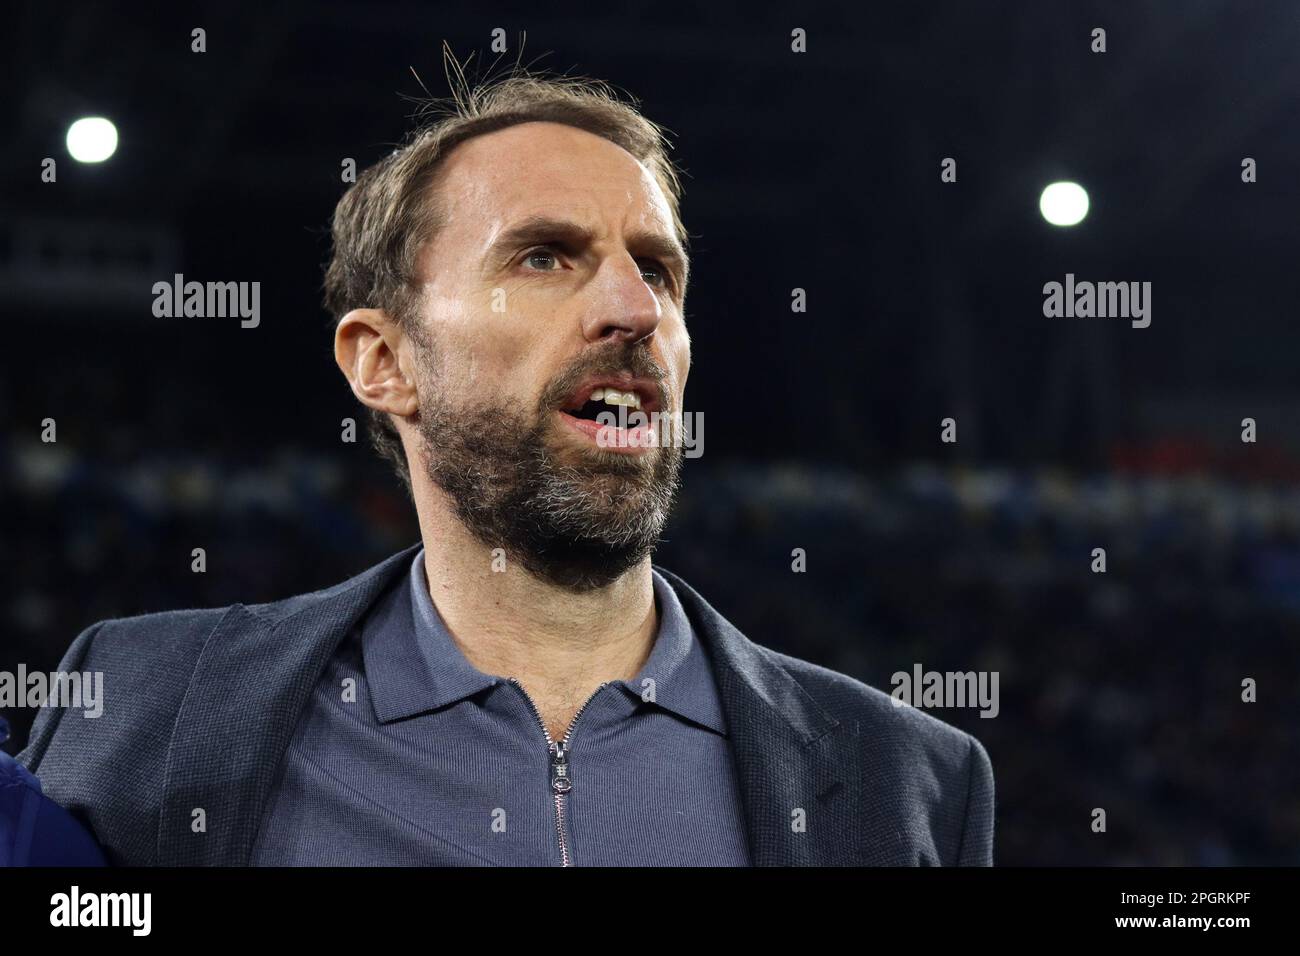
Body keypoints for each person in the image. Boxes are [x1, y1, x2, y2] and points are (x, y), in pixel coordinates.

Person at [20, 69, 993, 866]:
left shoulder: (905, 781)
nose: (633, 308)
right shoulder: (150, 707)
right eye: (543, 257)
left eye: (656, 269)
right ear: (384, 361)